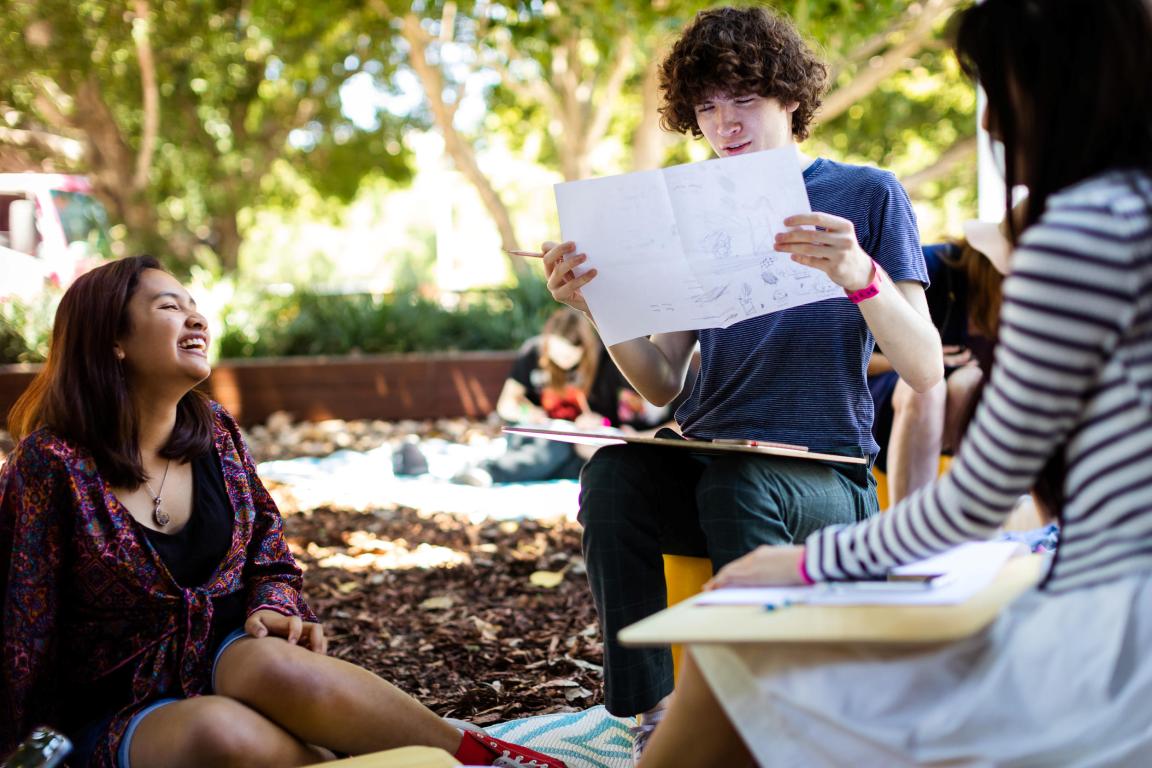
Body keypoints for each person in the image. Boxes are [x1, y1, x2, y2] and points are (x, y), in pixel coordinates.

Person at [637, 0, 1152, 764]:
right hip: (1100, 598)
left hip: (1110, 641)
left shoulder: (1080, 232)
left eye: (999, 92)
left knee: (736, 659)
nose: (992, 129)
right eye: (709, 109)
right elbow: (659, 379)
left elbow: (976, 489)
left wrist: (810, 562)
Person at [542, 5, 943, 756]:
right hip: (707, 461)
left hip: (825, 477)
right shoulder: (691, 208)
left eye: (744, 100)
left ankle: (761, 715)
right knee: (615, 475)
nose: (725, 123)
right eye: (707, 107)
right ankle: (651, 716)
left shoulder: (866, 194)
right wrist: (600, 305)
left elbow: (924, 367)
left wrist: (858, 274)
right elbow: (660, 382)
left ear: (791, 98)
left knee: (740, 485)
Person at [0, 256, 567, 768]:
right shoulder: (52, 464)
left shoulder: (215, 432)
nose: (196, 319)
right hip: (115, 703)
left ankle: (481, 760)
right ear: (111, 341)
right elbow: (21, 620)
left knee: (275, 666)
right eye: (170, 307)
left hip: (227, 657)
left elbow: (270, 554)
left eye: (195, 307)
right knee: (221, 735)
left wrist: (276, 605)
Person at [457, 307, 681, 486]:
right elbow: (506, 404)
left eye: (569, 355)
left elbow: (680, 425)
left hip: (590, 443)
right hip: (540, 437)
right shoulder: (533, 353)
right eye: (556, 354)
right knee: (555, 449)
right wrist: (532, 413)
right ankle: (489, 471)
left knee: (590, 461)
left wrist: (604, 426)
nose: (563, 362)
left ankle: (496, 472)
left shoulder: (616, 365)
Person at [869, 239, 1004, 506]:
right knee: (926, 389)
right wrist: (920, 357)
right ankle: (908, 526)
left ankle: (969, 519)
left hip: (948, 419)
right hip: (882, 391)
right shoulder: (932, 265)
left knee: (971, 384)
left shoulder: (1028, 309)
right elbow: (841, 351)